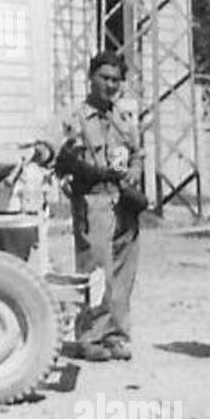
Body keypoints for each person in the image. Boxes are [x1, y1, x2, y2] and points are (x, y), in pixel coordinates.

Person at [50, 51, 146, 363]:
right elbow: (57, 153)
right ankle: (90, 336)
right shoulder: (75, 117)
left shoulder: (123, 118)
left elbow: (137, 152)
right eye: (104, 78)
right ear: (91, 78)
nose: (110, 85)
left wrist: (134, 170)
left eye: (116, 80)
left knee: (123, 272)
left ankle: (117, 334)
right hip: (93, 200)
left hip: (123, 203)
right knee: (95, 271)